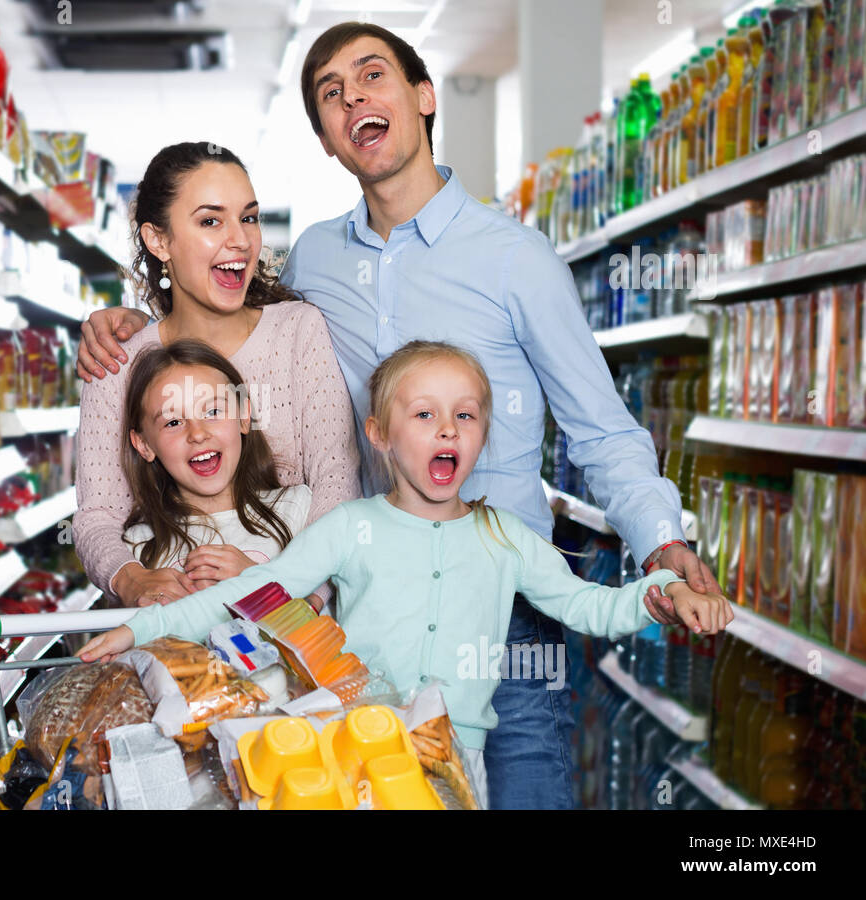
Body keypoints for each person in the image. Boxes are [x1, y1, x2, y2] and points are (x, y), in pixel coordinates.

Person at [74, 22, 721, 810]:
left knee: (518, 792)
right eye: (331, 94)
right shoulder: (313, 263)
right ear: (327, 141)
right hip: (364, 615)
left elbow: (600, 429)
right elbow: (210, 335)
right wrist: (121, 321)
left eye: (373, 75)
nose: (355, 100)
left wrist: (663, 536)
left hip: (501, 605)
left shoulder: (517, 258)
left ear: (423, 97)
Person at [79, 341, 734, 807]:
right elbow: (254, 593)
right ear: (380, 434)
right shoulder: (347, 528)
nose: (446, 428)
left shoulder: (507, 537)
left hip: (458, 761)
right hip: (357, 749)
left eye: (465, 415)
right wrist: (145, 628)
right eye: (424, 414)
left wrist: (662, 593)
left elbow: (589, 606)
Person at [72, 141, 361, 610]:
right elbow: (98, 515)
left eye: (248, 217)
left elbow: (336, 483)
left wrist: (288, 592)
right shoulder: (117, 363)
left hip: (294, 623)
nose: (241, 240)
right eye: (211, 221)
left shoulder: (297, 329)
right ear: (158, 240)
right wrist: (133, 581)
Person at [119, 339, 315, 599]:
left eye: (212, 411)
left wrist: (256, 582)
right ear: (143, 444)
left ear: (244, 416)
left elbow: (318, 624)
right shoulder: (137, 548)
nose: (198, 434)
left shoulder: (299, 510)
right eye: (174, 421)